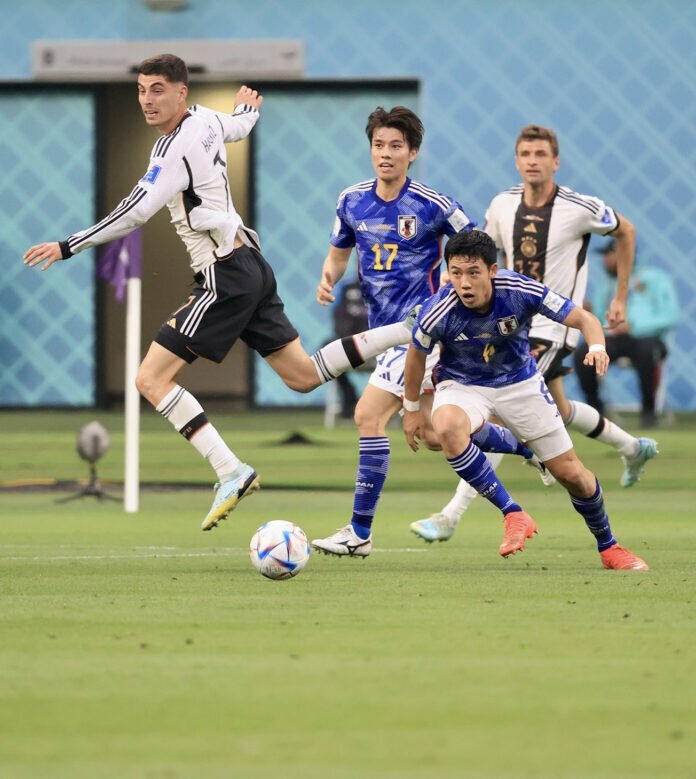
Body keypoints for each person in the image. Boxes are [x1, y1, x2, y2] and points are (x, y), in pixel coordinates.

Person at [22, 54, 419, 532]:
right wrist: (248, 112)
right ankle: (404, 330)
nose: (147, 100)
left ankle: (230, 471)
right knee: (302, 376)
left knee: (150, 380)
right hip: (250, 264)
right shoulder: (207, 119)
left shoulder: (170, 150)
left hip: (223, 275)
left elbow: (134, 212)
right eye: (142, 90)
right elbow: (237, 128)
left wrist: (68, 245)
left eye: (157, 90)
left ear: (181, 93)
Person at [310, 107, 551, 558]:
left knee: (368, 417)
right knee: (439, 435)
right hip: (384, 334)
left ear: (412, 152)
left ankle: (359, 532)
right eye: (379, 145)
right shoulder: (350, 200)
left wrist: (455, 285)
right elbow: (339, 251)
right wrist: (328, 277)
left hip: (420, 330)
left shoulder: (433, 204)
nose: (386, 154)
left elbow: (475, 248)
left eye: (396, 146)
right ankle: (529, 448)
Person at [411, 124, 658, 543]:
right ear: (516, 160)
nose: (532, 161)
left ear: (555, 161)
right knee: (556, 411)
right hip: (504, 323)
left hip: (554, 325)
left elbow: (626, 230)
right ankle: (632, 448)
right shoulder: (502, 204)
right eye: (525, 154)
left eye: (541, 154)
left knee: (493, 403)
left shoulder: (580, 207)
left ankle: (452, 515)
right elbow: (484, 257)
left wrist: (619, 297)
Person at [403, 230, 648, 570]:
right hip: (463, 385)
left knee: (573, 475)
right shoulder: (437, 311)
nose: (464, 283)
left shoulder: (519, 290)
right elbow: (416, 357)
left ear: (493, 269)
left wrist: (596, 346)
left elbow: (582, 318)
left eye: (473, 272)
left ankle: (609, 547)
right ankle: (513, 513)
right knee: (446, 427)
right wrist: (411, 409)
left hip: (520, 385)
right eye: (456, 273)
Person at [574, 240, 679, 428]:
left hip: (648, 338)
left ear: (623, 254)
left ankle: (649, 412)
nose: (605, 260)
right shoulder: (605, 287)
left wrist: (634, 326)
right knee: (584, 353)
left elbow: (670, 315)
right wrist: (588, 313)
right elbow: (600, 319)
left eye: (609, 255)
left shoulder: (654, 278)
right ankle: (596, 413)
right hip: (616, 340)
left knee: (646, 350)